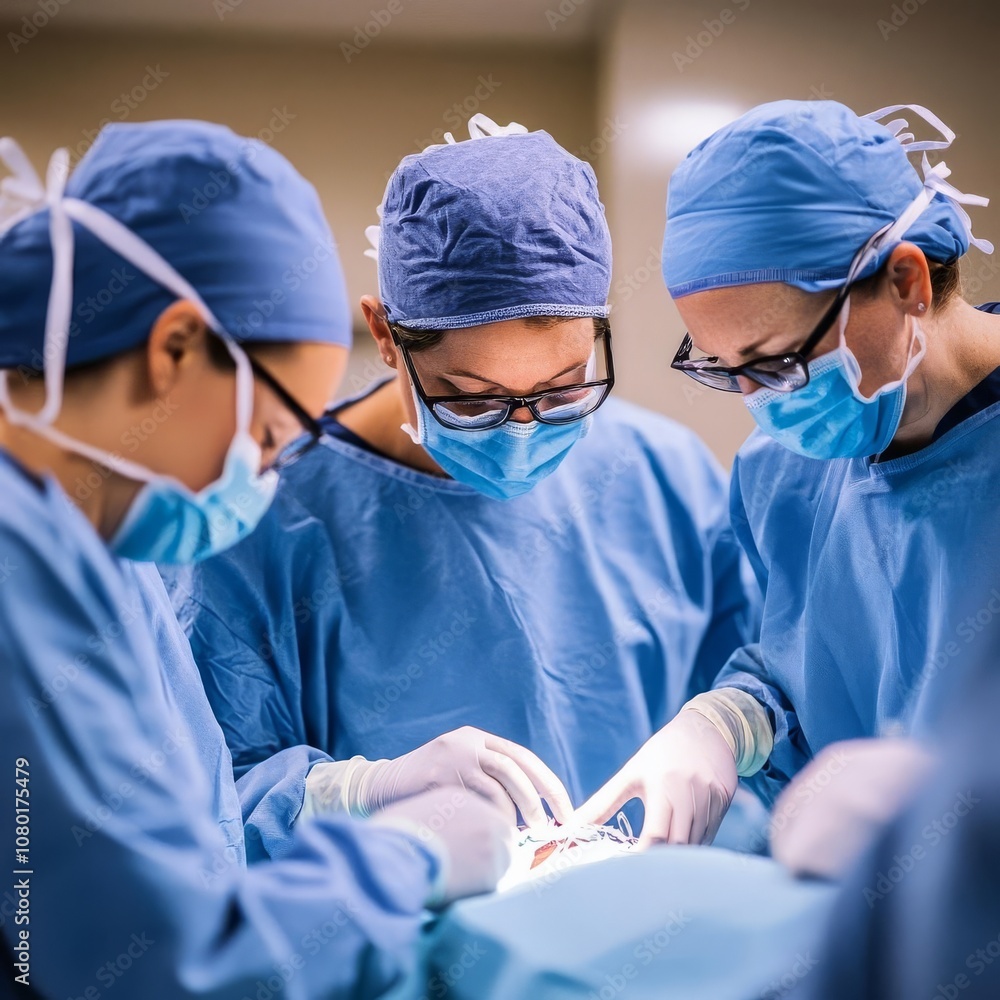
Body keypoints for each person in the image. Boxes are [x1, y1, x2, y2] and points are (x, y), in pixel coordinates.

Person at [0, 121, 512, 999]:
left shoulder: (102, 546)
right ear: (173, 350)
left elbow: (183, 827)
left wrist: (355, 790)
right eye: (271, 438)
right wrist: (398, 863)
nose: (264, 480)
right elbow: (163, 963)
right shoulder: (20, 566)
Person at [162, 114, 759, 844]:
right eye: (472, 398)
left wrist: (728, 732)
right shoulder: (263, 517)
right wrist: (354, 793)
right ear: (385, 335)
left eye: (564, 387)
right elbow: (207, 798)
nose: (522, 428)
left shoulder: (662, 474)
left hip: (645, 923)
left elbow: (764, 696)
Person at [576, 100, 1000, 848]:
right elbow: (802, 673)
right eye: (724, 369)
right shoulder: (784, 476)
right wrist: (730, 720)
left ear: (907, 281)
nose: (757, 404)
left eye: (776, 362)